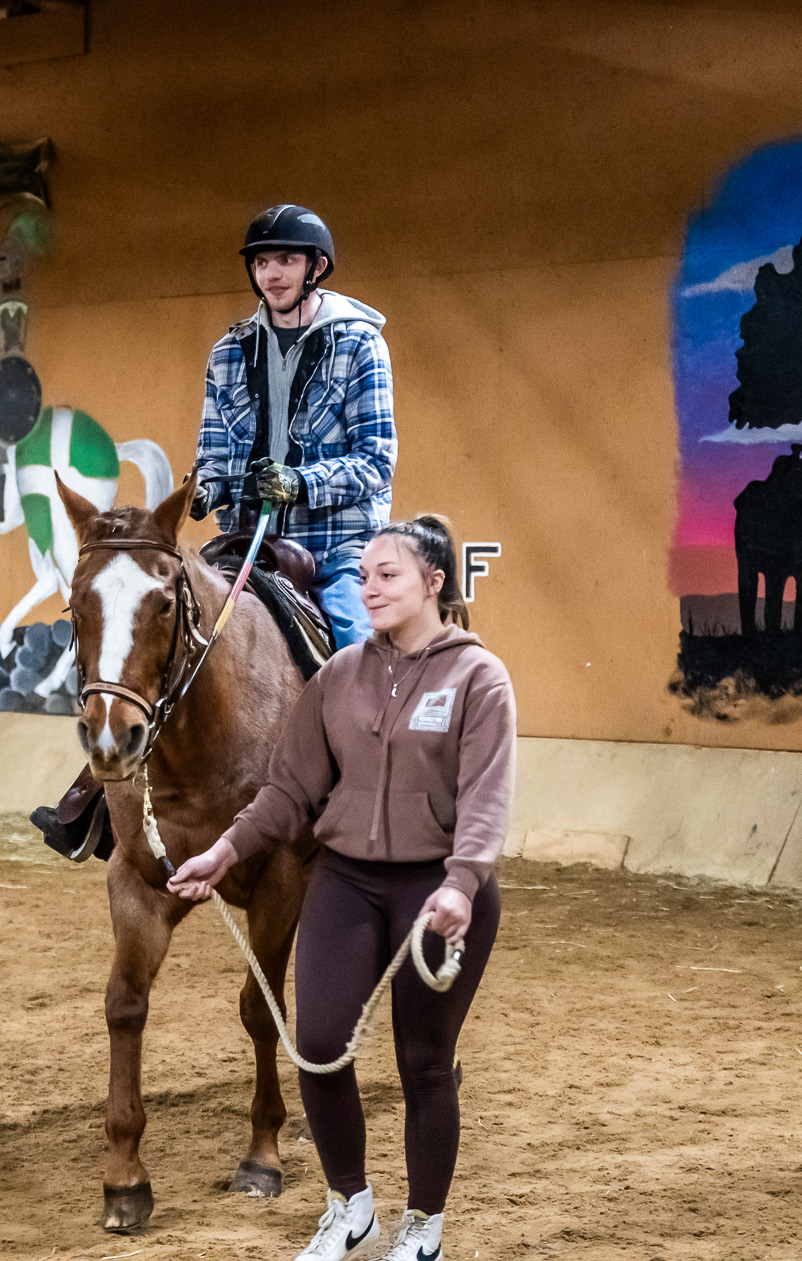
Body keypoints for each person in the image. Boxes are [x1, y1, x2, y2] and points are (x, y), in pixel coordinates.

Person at [168, 515, 513, 1261]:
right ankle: (349, 1205)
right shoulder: (339, 675)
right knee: (319, 1046)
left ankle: (422, 1229)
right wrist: (225, 850)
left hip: (440, 889)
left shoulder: (478, 677)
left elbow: (487, 799)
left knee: (425, 1060)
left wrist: (460, 884)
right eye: (363, 575)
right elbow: (288, 790)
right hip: (349, 879)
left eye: (387, 574)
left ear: (434, 581)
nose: (370, 587)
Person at [194, 203, 397, 649]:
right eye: (262, 262)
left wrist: (297, 483)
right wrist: (207, 487)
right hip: (246, 545)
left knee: (357, 650)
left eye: (286, 260)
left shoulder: (361, 344)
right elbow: (212, 455)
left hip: (335, 549)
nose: (272, 274)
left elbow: (376, 462)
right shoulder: (226, 353)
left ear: (316, 266)